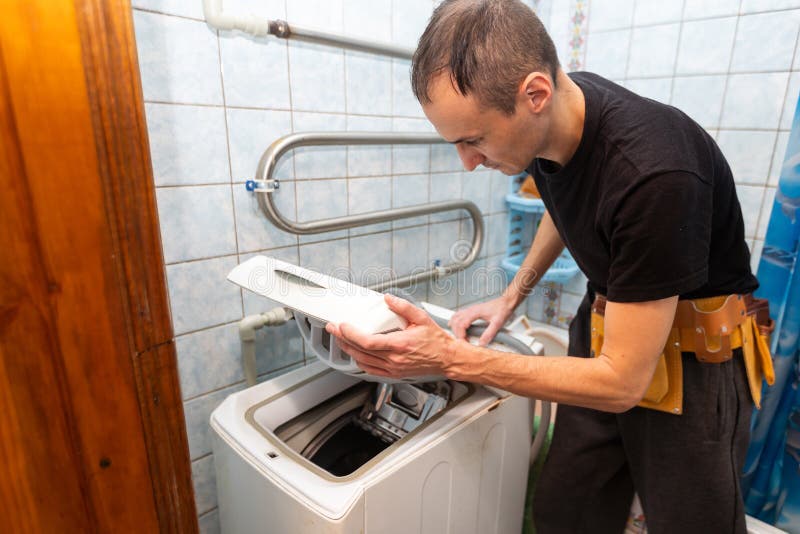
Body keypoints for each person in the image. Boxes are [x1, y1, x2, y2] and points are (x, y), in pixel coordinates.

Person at [325, 1, 772, 532]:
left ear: (535, 94)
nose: (467, 163)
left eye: (473, 139)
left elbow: (623, 382)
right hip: (606, 330)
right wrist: (512, 294)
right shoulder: (558, 115)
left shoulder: (655, 174)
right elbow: (570, 200)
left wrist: (451, 359)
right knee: (567, 511)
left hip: (696, 362)